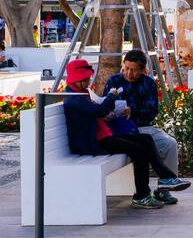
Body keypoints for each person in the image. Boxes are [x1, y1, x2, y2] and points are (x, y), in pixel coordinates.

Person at [61, 58, 185, 210]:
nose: (87, 82)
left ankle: (165, 177)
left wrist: (108, 113)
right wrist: (112, 96)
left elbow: (95, 113)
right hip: (94, 142)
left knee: (145, 139)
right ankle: (142, 195)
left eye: (88, 78)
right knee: (139, 151)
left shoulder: (79, 92)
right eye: (84, 80)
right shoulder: (74, 98)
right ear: (76, 79)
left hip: (102, 135)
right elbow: (99, 110)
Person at [105, 49, 190, 203]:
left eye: (134, 70)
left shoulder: (148, 83)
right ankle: (149, 191)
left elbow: (151, 111)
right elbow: (105, 107)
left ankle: (164, 189)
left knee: (170, 143)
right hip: (120, 129)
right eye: (126, 68)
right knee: (143, 145)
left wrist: (133, 111)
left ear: (143, 70)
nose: (129, 74)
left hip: (141, 126)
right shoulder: (113, 81)